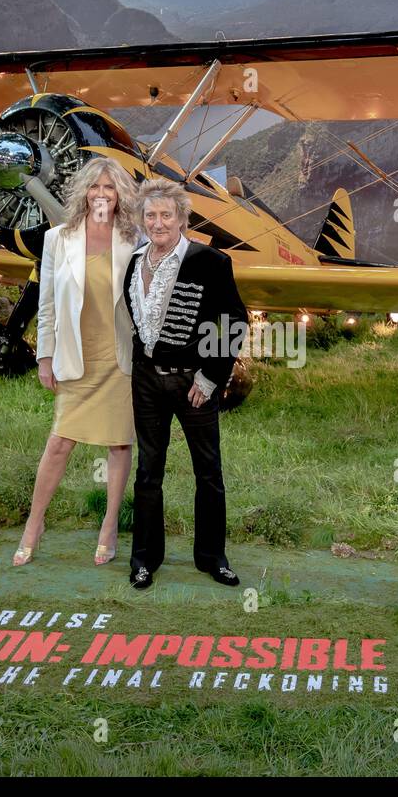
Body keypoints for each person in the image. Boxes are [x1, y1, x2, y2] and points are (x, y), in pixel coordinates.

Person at [13, 156, 141, 567]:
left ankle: (109, 524)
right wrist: (44, 357)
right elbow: (47, 304)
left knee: (119, 443)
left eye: (110, 188)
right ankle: (34, 524)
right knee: (58, 444)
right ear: (83, 192)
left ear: (121, 195)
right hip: (75, 354)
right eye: (95, 187)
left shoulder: (134, 237)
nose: (102, 194)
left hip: (120, 357)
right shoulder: (57, 239)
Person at [123, 178, 248, 590]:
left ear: (181, 218)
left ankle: (213, 557)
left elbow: (232, 322)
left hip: (194, 383)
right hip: (145, 381)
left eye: (166, 215)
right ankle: (144, 560)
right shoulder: (134, 260)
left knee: (208, 472)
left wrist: (211, 376)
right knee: (148, 472)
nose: (158, 222)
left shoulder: (209, 261)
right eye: (151, 215)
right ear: (143, 219)